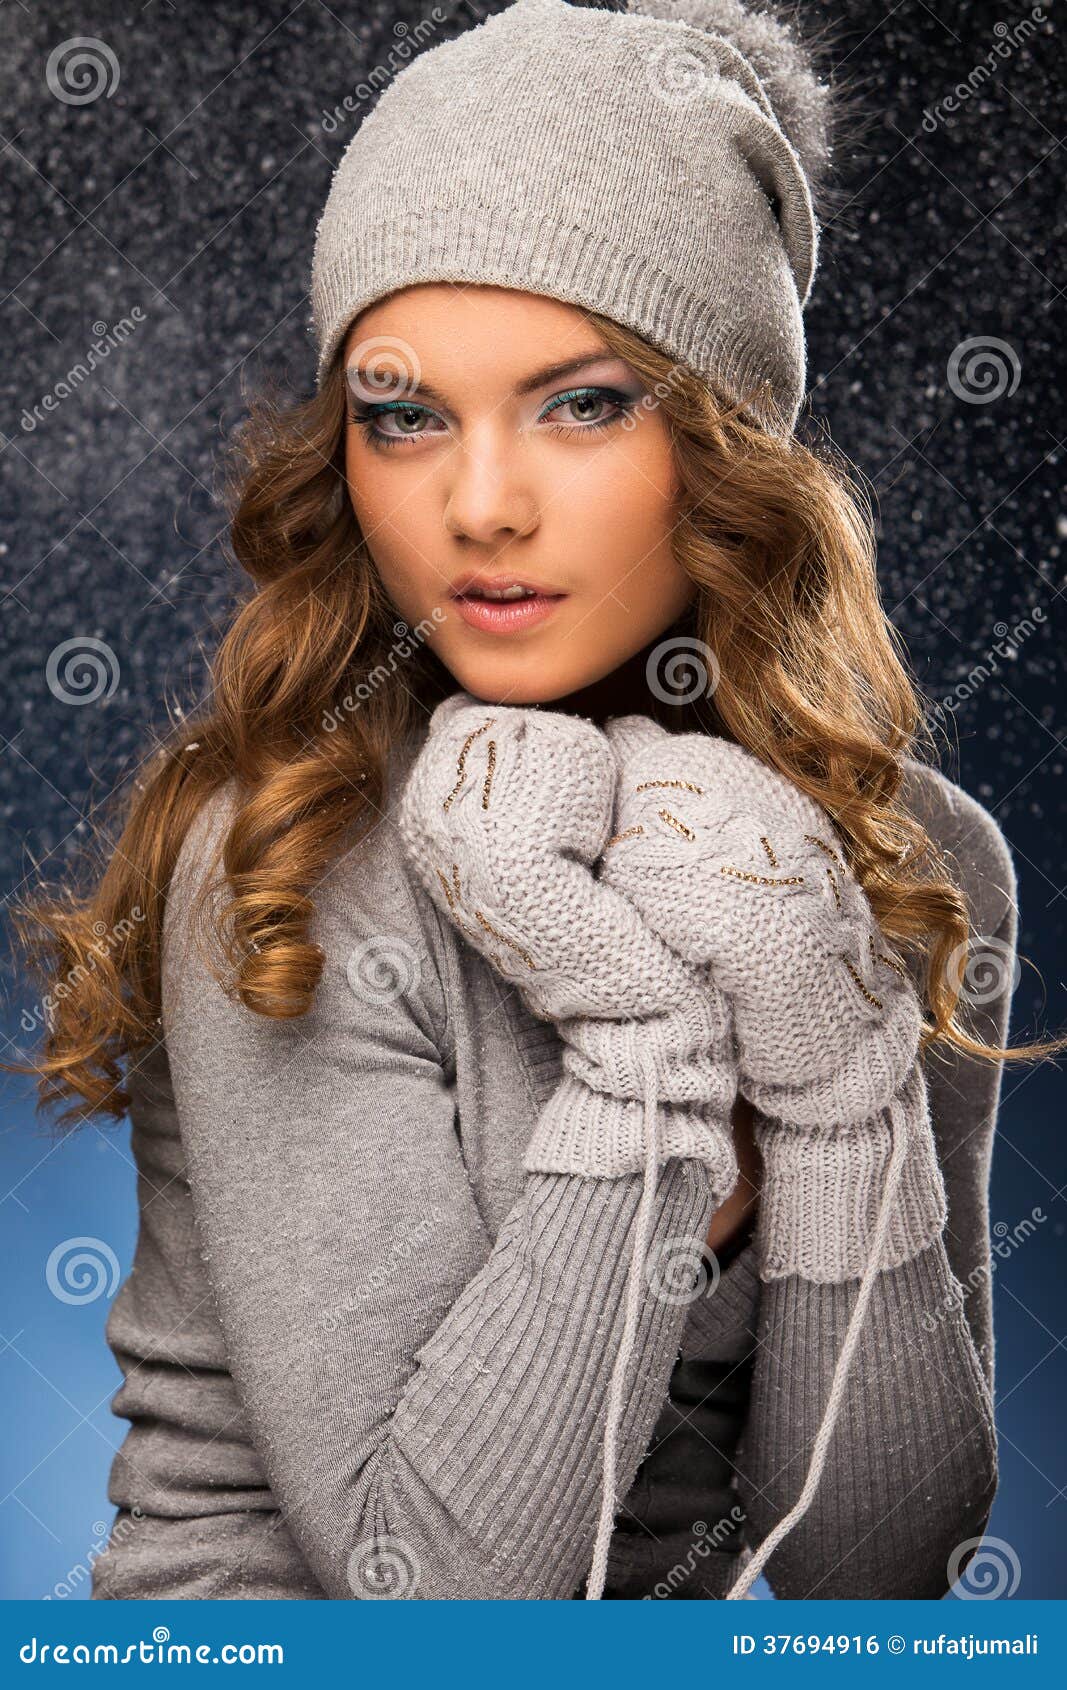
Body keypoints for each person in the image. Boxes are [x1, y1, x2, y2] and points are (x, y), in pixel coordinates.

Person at [8, 0, 1063, 1601]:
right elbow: (428, 1594)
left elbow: (878, 1579)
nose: (479, 505)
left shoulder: (919, 867)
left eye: (583, 402)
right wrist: (649, 1055)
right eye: (404, 413)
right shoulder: (290, 854)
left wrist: (840, 1074)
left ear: (727, 440)